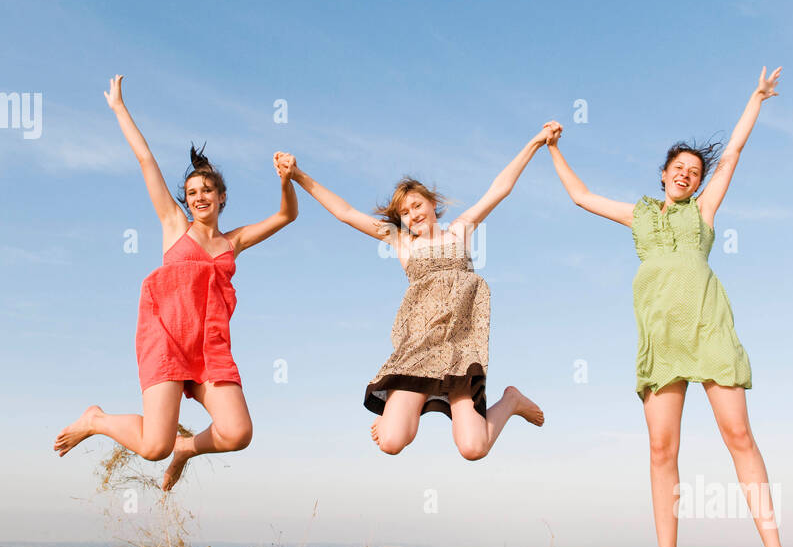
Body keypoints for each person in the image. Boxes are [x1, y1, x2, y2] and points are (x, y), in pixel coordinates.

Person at [546, 69, 793, 547]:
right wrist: (552, 148)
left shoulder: (704, 211)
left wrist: (754, 99)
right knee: (662, 450)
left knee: (739, 437)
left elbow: (731, 154)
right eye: (679, 168)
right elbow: (581, 196)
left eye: (694, 172)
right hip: (660, 342)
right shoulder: (637, 216)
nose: (688, 175)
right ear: (663, 174)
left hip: (709, 331)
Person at [54, 75, 298, 491]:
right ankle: (96, 419)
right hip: (167, 339)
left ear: (221, 196)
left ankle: (188, 448)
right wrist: (118, 108)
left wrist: (285, 181)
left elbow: (285, 216)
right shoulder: (174, 226)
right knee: (153, 447)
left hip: (209, 348)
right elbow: (147, 161)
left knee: (238, 432)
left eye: (207, 189)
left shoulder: (232, 242)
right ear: (185, 200)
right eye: (192, 192)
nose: (199, 196)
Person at [274, 123, 561, 459]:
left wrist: (535, 143)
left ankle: (510, 400)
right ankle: (399, 415)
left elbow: (499, 189)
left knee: (473, 448)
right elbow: (346, 213)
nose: (412, 215)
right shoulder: (401, 242)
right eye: (405, 213)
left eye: (416, 205)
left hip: (458, 349)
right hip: (419, 350)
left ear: (431, 202)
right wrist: (297, 176)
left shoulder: (459, 232)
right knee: (392, 442)